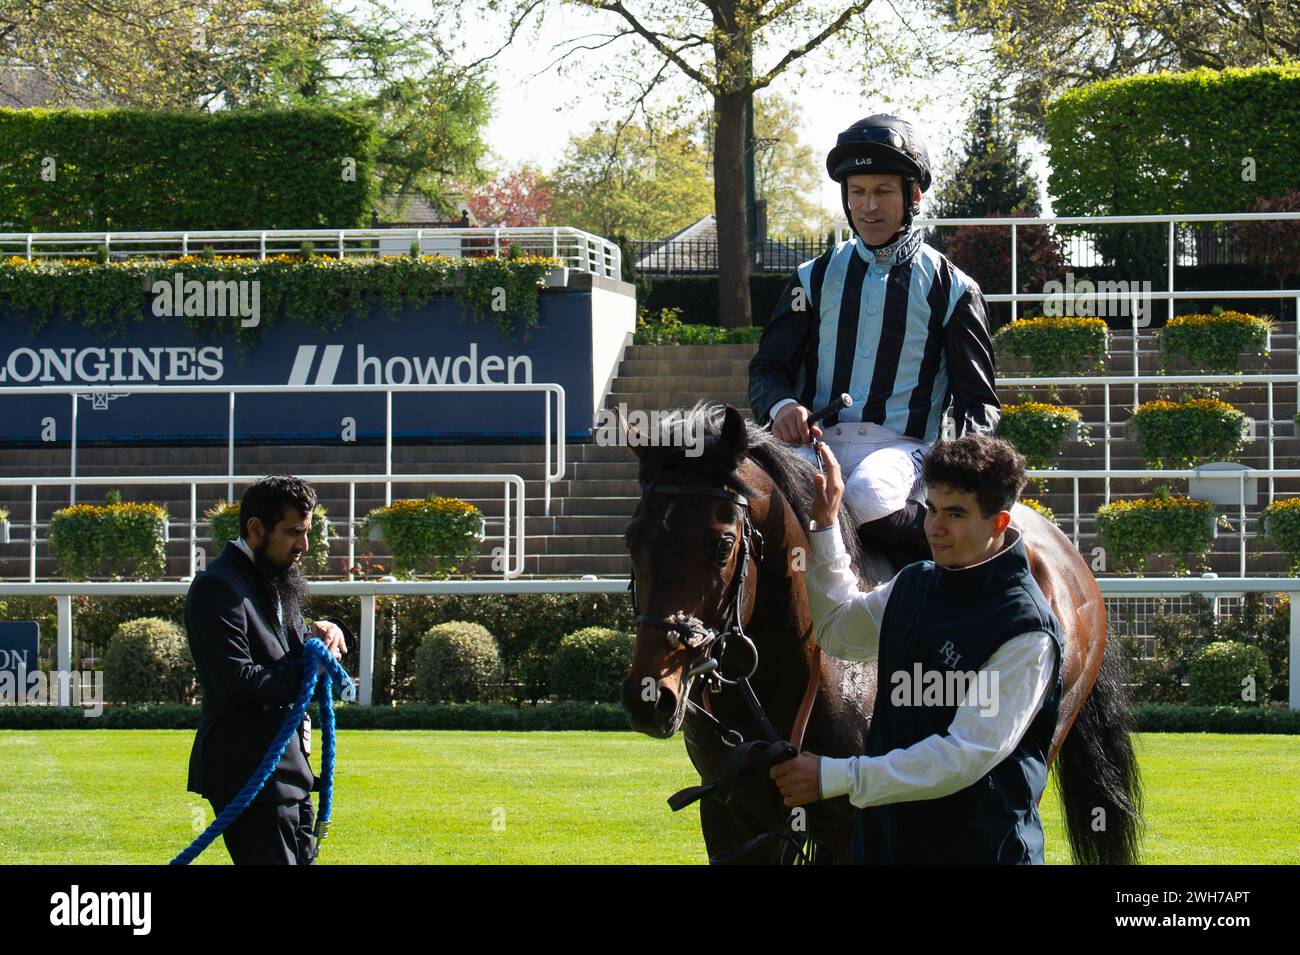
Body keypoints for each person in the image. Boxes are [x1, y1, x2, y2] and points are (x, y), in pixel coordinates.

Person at [769, 434, 1064, 864]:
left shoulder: (1026, 628)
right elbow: (838, 630)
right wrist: (828, 527)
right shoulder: (915, 583)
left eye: (955, 514)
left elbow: (962, 756)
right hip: (885, 845)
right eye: (931, 509)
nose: (934, 528)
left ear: (999, 523)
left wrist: (833, 776)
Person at [749, 113, 1001, 566]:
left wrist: (964, 476)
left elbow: (977, 403)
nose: (869, 206)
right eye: (857, 192)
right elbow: (768, 370)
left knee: (864, 495)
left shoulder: (955, 289)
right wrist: (783, 406)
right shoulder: (811, 277)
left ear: (913, 195)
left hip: (903, 449)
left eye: (883, 191)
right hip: (812, 444)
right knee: (748, 494)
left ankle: (976, 565)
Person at [185, 475, 349, 865]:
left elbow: (287, 651)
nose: (304, 546)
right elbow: (239, 682)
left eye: (306, 532)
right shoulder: (217, 588)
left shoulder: (272, 577)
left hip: (290, 771)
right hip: (249, 770)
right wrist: (313, 669)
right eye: (294, 532)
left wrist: (326, 633)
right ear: (256, 529)